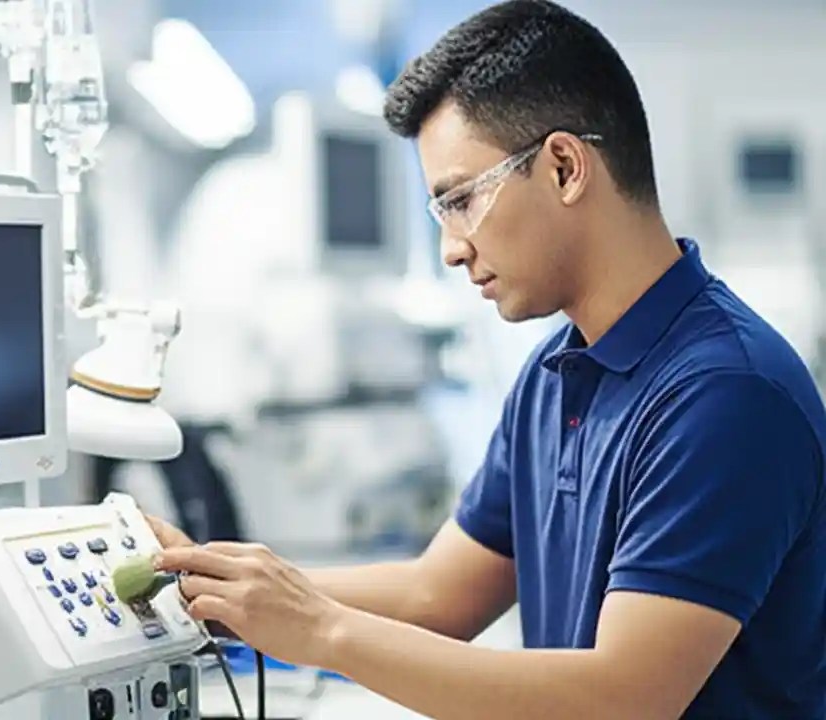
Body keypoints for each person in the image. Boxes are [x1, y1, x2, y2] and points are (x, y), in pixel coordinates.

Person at [147, 2, 826, 718]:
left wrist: (321, 631)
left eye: (462, 200)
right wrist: (220, 585)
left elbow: (624, 699)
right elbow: (436, 595)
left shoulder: (725, 392)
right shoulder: (552, 379)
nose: (452, 247)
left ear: (565, 167)